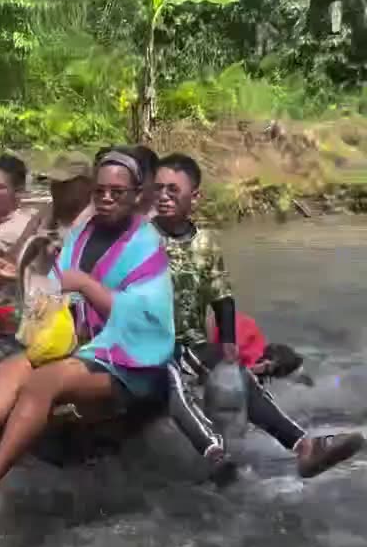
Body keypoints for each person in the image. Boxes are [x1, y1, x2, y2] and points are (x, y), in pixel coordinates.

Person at [0, 150, 175, 533]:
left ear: (135, 194)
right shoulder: (84, 230)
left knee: (41, 382)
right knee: (10, 368)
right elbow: (58, 284)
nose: (107, 199)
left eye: (118, 191)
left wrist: (86, 286)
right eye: (100, 191)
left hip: (129, 360)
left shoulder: (146, 243)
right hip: (82, 344)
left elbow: (147, 317)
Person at [154, 152, 364, 479]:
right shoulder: (141, 239)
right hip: (151, 343)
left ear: (194, 197)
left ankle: (303, 447)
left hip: (192, 343)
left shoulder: (205, 241)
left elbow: (221, 294)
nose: (163, 196)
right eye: (158, 189)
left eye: (173, 190)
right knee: (175, 379)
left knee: (236, 375)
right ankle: (216, 453)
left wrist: (228, 343)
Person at [0, 151, 94, 293]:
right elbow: (16, 255)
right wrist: (3, 265)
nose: (56, 189)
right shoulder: (47, 213)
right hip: (35, 295)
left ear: (87, 185)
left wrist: (20, 277)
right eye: (54, 182)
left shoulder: (96, 220)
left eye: (64, 184)